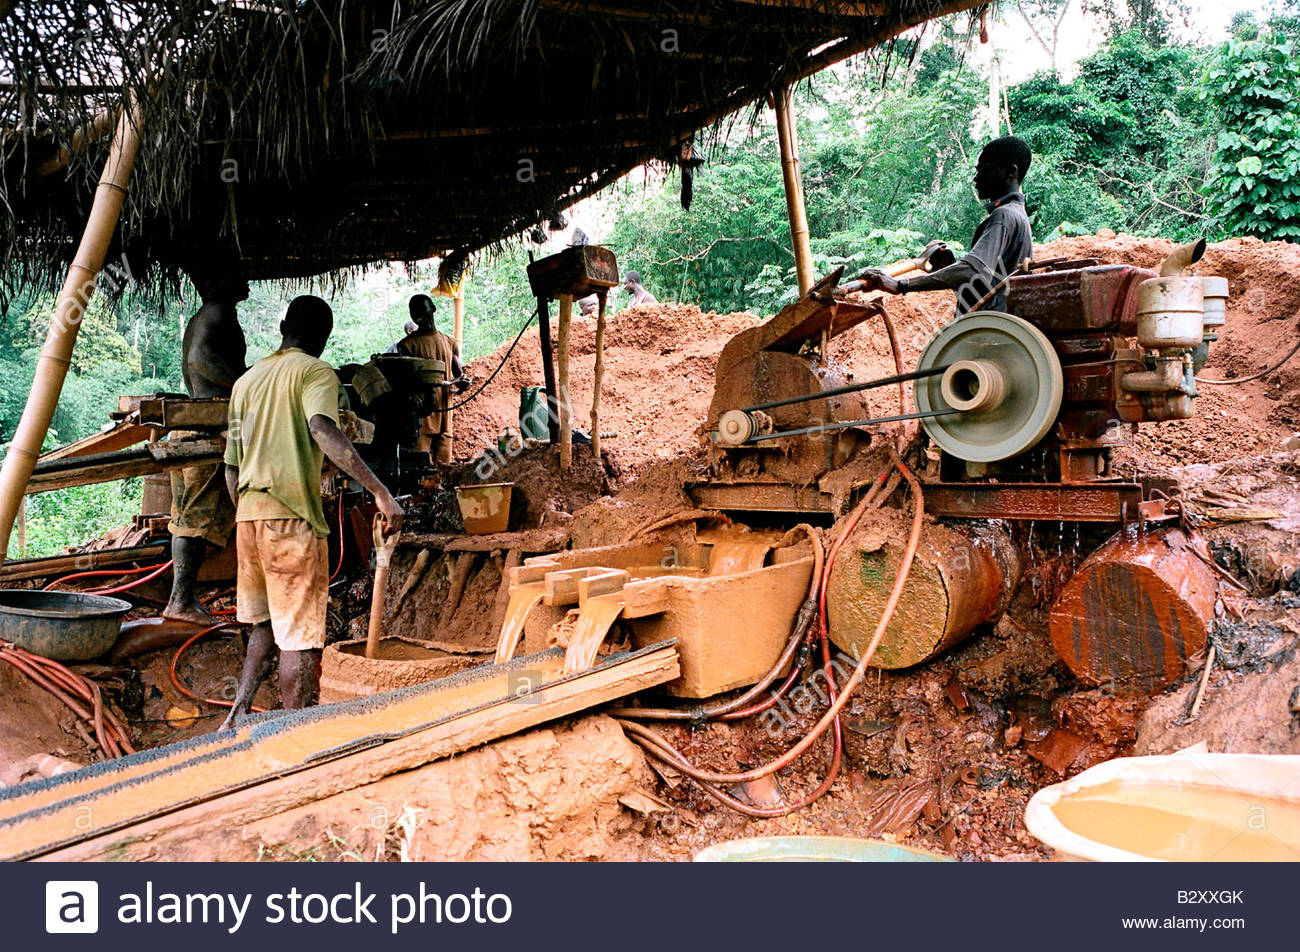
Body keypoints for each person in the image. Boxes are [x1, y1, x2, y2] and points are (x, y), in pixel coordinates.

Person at [220, 295, 403, 728]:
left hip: (248, 516)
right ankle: (294, 734)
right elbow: (322, 428)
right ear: (323, 338)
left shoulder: (246, 382)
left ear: (283, 325)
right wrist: (379, 491)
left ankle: (237, 715)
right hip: (291, 518)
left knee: (265, 624)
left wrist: (248, 513)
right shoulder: (314, 371)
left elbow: (230, 467)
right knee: (298, 638)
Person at [855, 135, 1034, 316]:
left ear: (1011, 172)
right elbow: (982, 288)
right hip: (996, 329)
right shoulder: (1018, 215)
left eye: (984, 170)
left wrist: (899, 284)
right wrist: (947, 268)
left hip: (985, 334)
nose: (976, 177)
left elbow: (971, 271)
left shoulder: (1004, 216)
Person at [162, 262, 249, 626]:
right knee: (193, 520)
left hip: (191, 426)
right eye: (238, 275)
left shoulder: (203, 314)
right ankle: (181, 603)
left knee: (184, 518)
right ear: (218, 282)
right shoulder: (218, 312)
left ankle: (182, 600)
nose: (245, 281)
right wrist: (245, 385)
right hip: (208, 428)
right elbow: (200, 358)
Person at [395, 294, 465, 465]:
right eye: (414, 312)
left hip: (445, 421)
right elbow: (403, 385)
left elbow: (459, 377)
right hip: (420, 424)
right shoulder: (407, 345)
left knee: (443, 472)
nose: (418, 315)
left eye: (422, 309)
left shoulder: (450, 343)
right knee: (420, 472)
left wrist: (463, 384)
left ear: (433, 309)